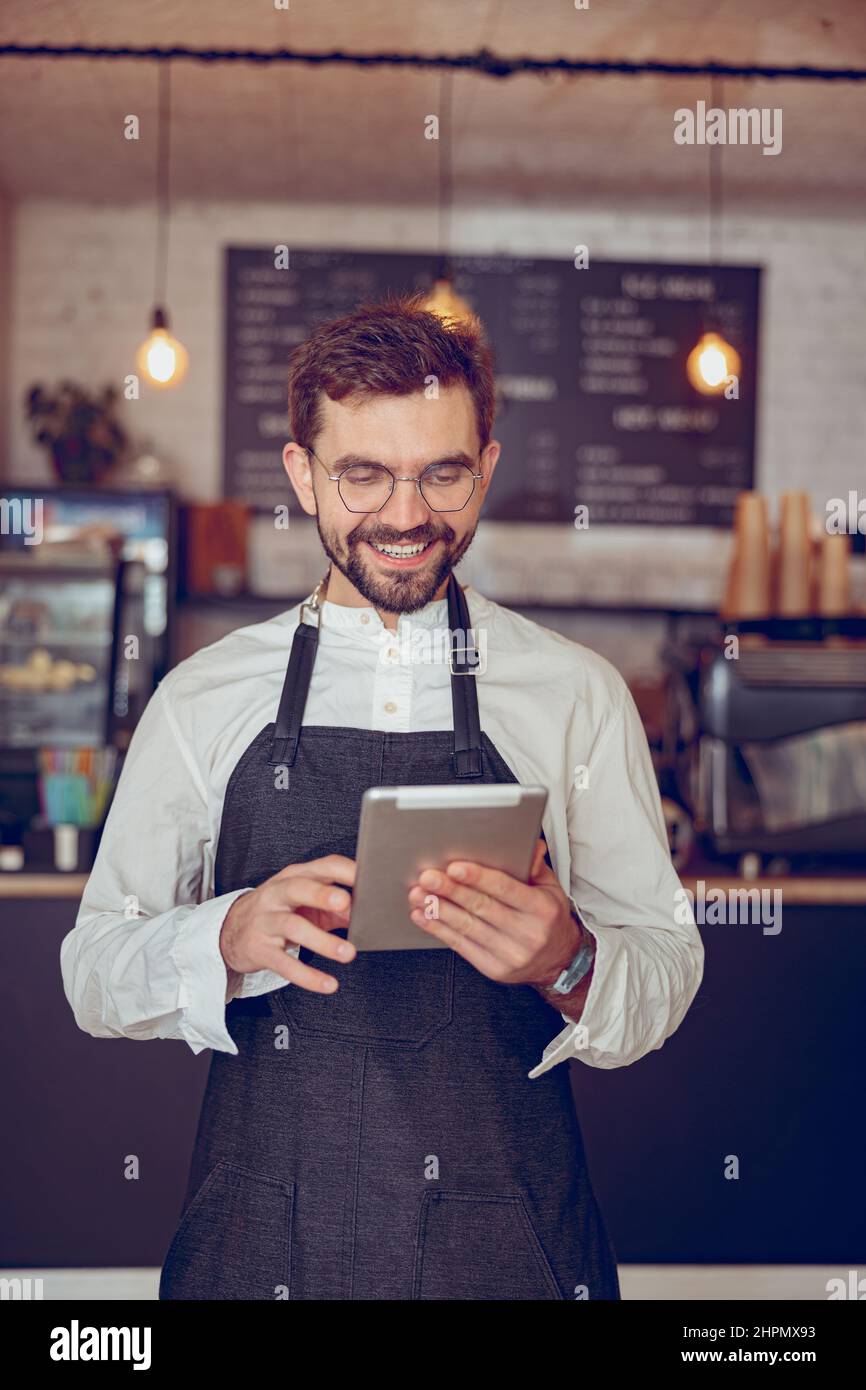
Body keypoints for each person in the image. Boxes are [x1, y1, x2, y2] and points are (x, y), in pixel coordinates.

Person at [61, 293, 703, 1301]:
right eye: (363, 474)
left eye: (440, 474)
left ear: (485, 465)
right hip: (263, 1247)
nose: (405, 516)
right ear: (302, 473)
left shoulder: (572, 692)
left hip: (507, 1253)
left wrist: (566, 958)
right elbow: (94, 972)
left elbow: (663, 967)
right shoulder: (202, 698)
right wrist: (224, 935)